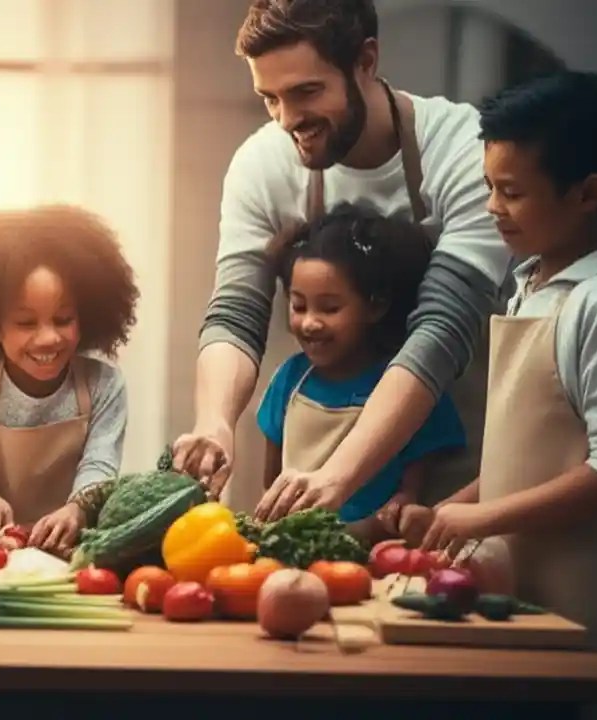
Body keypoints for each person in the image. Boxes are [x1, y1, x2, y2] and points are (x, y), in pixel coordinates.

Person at [171, 0, 512, 521]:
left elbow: (443, 330)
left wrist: (341, 472)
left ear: (366, 60)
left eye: (307, 92)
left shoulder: (463, 149)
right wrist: (216, 422)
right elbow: (236, 314)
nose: (288, 120)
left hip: (450, 471)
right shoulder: (262, 166)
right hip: (322, 480)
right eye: (270, 99)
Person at [402, 71, 597, 654]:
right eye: (488, 187)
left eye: (513, 192)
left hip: (585, 601)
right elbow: (535, 453)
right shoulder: (528, 282)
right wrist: (460, 506)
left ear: (588, 193)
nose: (493, 208)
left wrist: (486, 517)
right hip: (522, 598)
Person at [0, 205, 139, 557]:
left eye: (63, 318)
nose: (48, 338)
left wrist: (77, 510)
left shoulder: (103, 383)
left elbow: (100, 468)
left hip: (74, 555)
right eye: (26, 323)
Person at [255, 203, 465, 541]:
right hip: (296, 546)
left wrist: (402, 504)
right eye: (298, 305)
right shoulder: (288, 380)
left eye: (330, 307)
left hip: (376, 550)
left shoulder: (406, 386)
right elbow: (272, 478)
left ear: (376, 305)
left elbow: (415, 482)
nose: (310, 322)